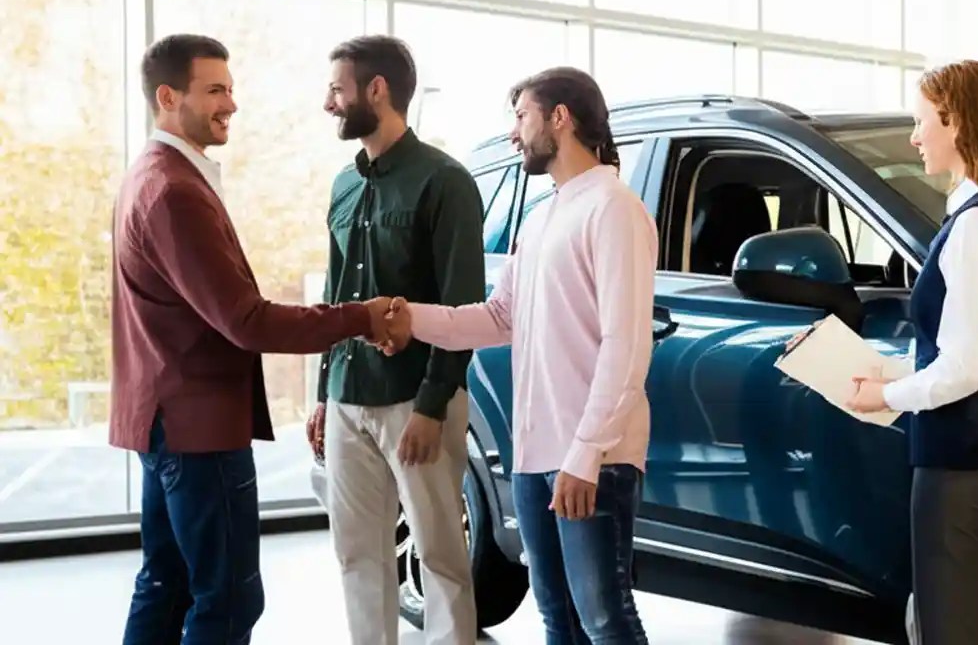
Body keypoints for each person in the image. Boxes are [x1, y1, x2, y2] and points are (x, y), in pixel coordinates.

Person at [112, 33, 400, 645]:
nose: (231, 104)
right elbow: (246, 321)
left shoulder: (151, 174)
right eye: (215, 89)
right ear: (168, 96)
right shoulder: (174, 191)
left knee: (166, 583)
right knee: (230, 598)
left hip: (165, 419)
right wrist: (361, 317)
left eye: (230, 88)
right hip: (197, 427)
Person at [380, 66, 657, 644]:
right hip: (533, 456)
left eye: (521, 116)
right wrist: (412, 318)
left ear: (560, 117)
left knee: (605, 617)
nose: (514, 134)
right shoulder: (541, 218)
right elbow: (499, 318)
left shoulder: (614, 209)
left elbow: (627, 343)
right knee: (558, 618)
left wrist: (585, 455)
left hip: (590, 457)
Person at [843, 59, 978, 645]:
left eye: (920, 120)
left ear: (955, 121)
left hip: (957, 461)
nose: (914, 137)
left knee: (949, 628)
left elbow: (963, 367)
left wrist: (887, 394)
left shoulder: (976, 227)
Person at [307, 35, 484, 645]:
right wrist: (324, 394)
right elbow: (335, 297)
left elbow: (463, 306)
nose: (329, 103)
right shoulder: (341, 187)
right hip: (348, 397)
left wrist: (433, 405)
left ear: (376, 89)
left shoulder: (446, 181)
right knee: (358, 556)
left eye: (337, 88)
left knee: (439, 556)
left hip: (417, 400)